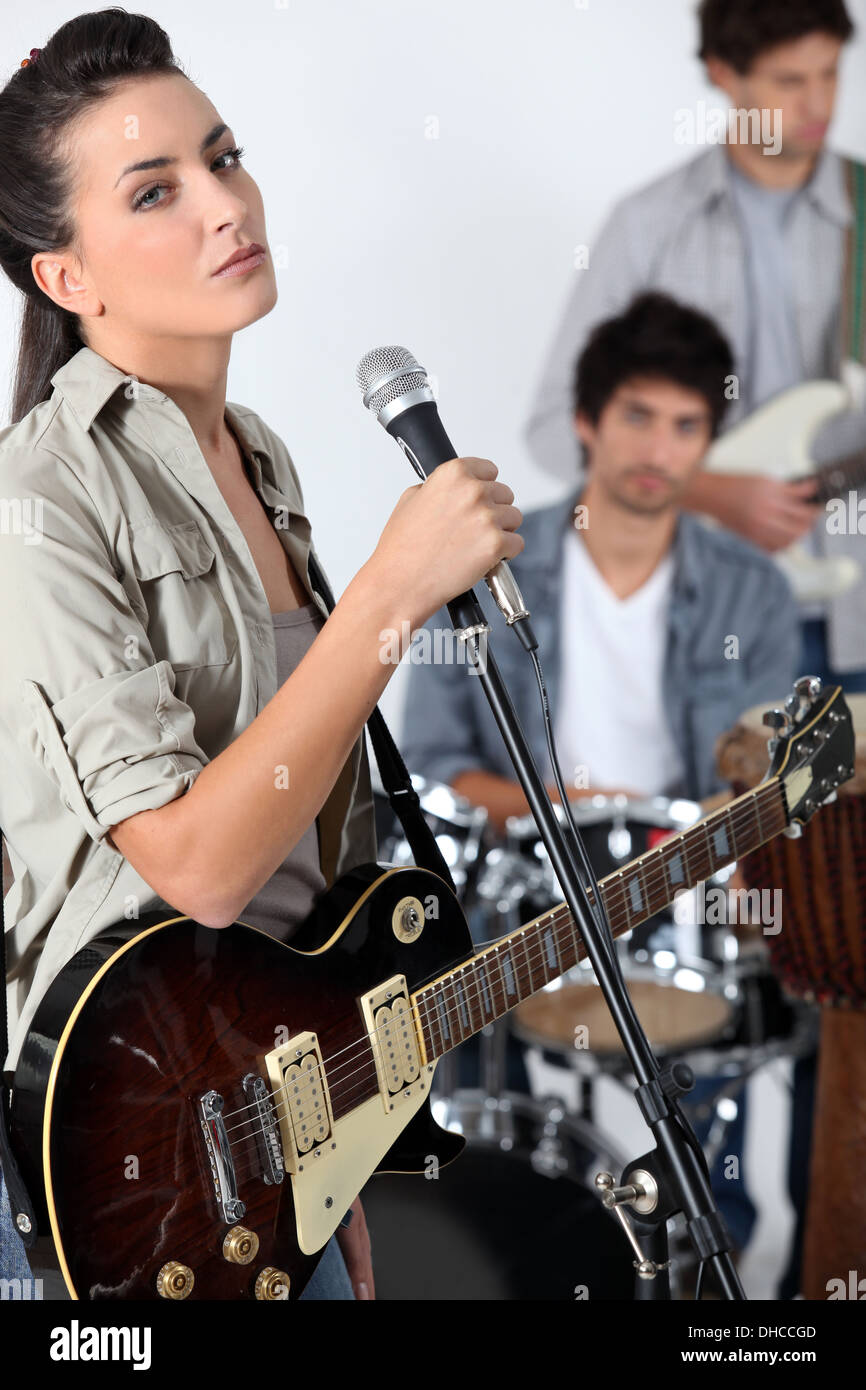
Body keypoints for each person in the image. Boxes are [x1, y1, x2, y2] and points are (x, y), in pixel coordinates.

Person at [0, 10, 523, 1299]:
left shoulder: (263, 457)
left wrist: (328, 1141)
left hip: (258, 1126)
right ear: (68, 277)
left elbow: (302, 871)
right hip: (109, 1155)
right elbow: (200, 868)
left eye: (223, 157)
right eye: (156, 190)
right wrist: (393, 589)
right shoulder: (41, 504)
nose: (225, 203)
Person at [402, 291, 801, 1255]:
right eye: (637, 417)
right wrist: (569, 808)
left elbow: (762, 775)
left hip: (684, 887)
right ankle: (487, 1235)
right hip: (528, 886)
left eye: (687, 425)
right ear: (585, 421)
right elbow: (434, 765)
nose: (659, 449)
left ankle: (714, 1267)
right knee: (436, 993)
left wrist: (700, 821)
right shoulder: (482, 563)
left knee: (718, 1170)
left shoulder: (754, 588)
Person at [525, 0, 866, 697]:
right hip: (709, 624)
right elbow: (557, 425)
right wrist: (706, 489)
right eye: (788, 81)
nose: (819, 103)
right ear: (722, 73)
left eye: (830, 74)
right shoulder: (648, 225)